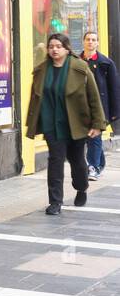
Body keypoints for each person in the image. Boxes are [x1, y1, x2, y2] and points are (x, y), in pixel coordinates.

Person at [25, 32, 105, 215]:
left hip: (76, 123)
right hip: (52, 124)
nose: (54, 50)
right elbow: (35, 97)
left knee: (77, 160)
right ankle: (55, 202)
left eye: (58, 47)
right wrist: (32, 122)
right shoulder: (41, 70)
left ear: (67, 49)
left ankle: (81, 187)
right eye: (51, 46)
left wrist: (97, 124)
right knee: (55, 161)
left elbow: (93, 97)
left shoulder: (80, 68)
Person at [82, 31, 120, 179]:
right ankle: (99, 164)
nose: (90, 42)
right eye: (88, 39)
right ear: (83, 41)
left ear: (97, 43)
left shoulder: (106, 63)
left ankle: (93, 167)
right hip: (80, 107)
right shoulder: (76, 61)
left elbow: (114, 88)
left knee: (94, 137)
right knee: (90, 138)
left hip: (99, 107)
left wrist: (115, 111)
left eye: (93, 40)